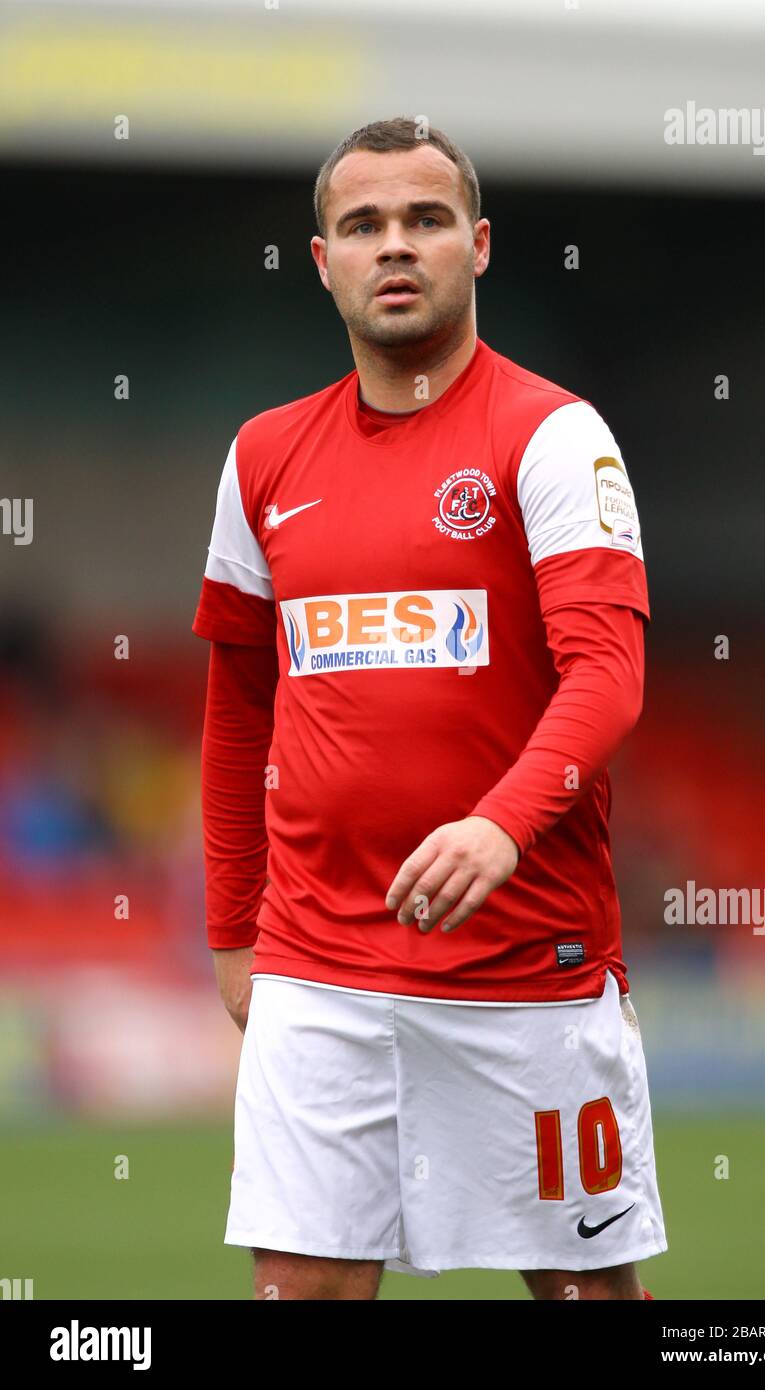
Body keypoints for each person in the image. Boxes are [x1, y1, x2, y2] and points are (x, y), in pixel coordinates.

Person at [192, 116, 666, 1300]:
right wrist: (232, 928)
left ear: (480, 245)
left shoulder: (554, 435)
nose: (394, 246)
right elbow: (238, 708)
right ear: (323, 260)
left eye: (425, 220)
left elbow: (607, 674)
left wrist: (501, 823)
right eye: (364, 225)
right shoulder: (261, 458)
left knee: (584, 1298)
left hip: (527, 971)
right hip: (319, 966)